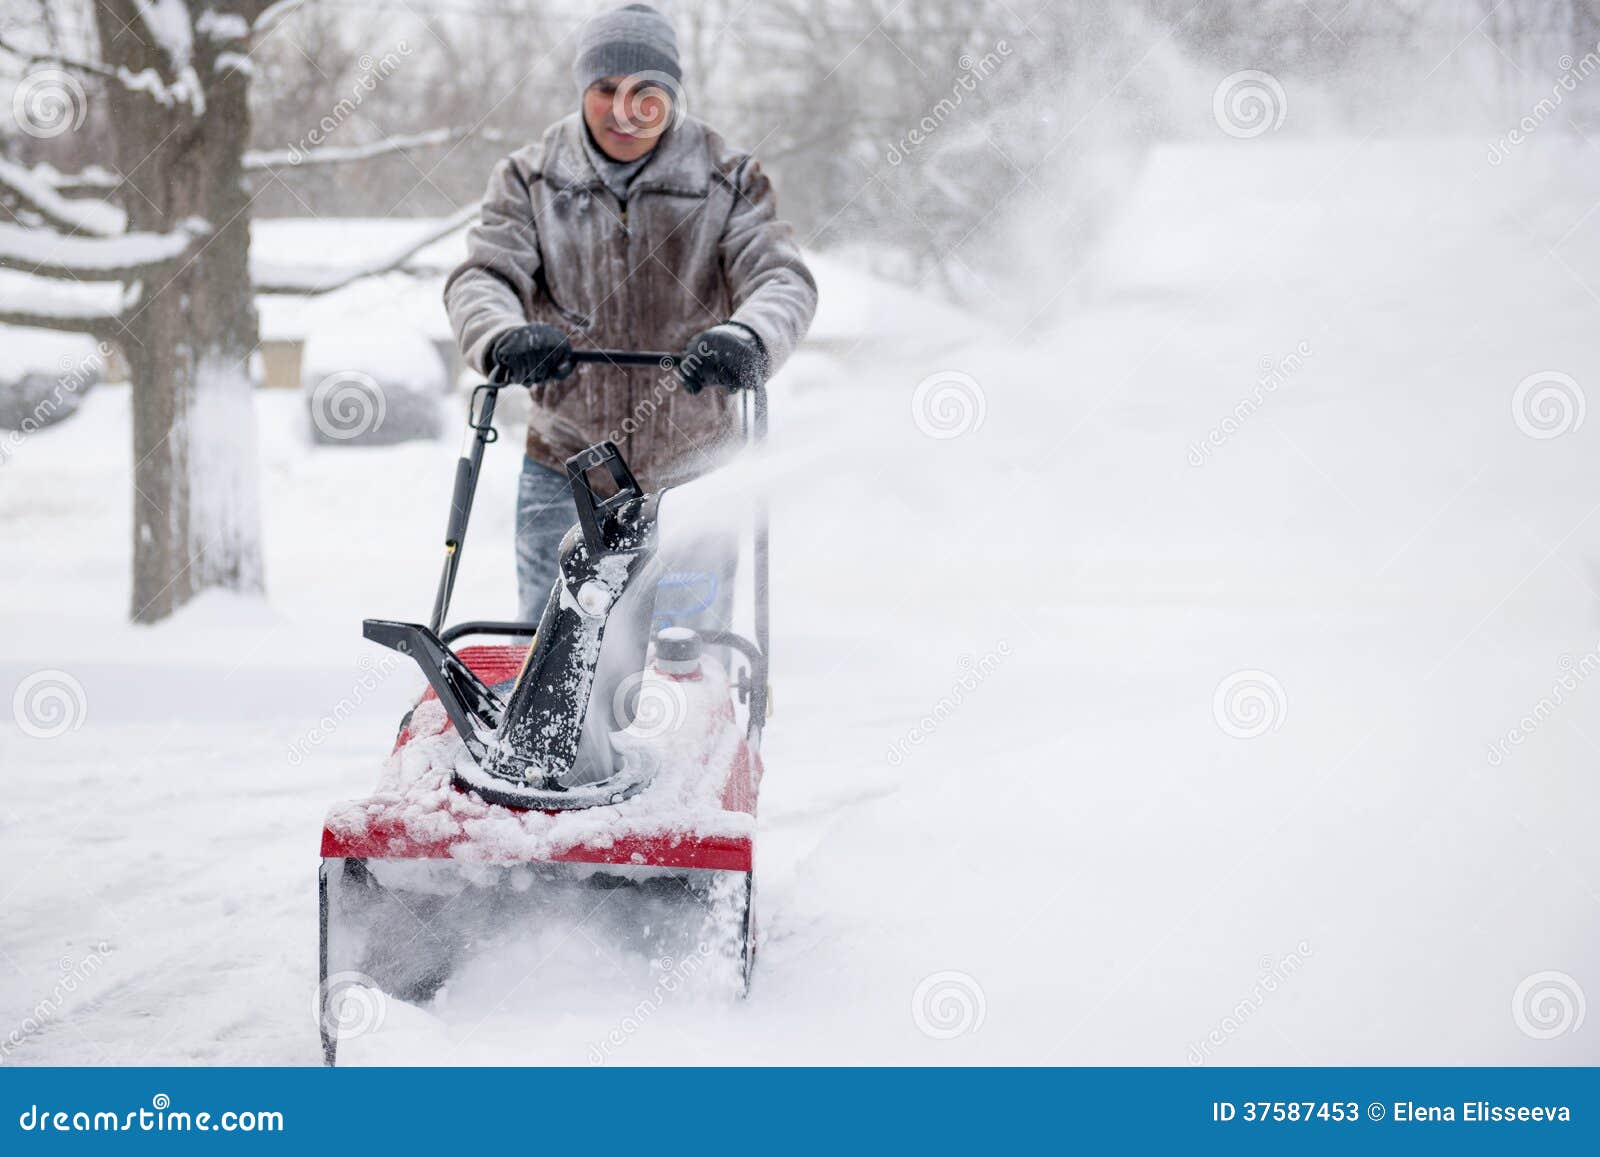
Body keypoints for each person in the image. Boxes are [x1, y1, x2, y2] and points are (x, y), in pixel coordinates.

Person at [444, 2, 817, 625]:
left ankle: (683, 716)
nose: (623, 109)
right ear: (582, 88)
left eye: (646, 91)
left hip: (693, 468)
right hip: (566, 464)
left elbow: (781, 277)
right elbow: (485, 275)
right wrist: (503, 334)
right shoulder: (530, 179)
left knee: (684, 653)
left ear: (673, 94)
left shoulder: (728, 177)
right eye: (605, 88)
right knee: (553, 655)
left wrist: (747, 336)